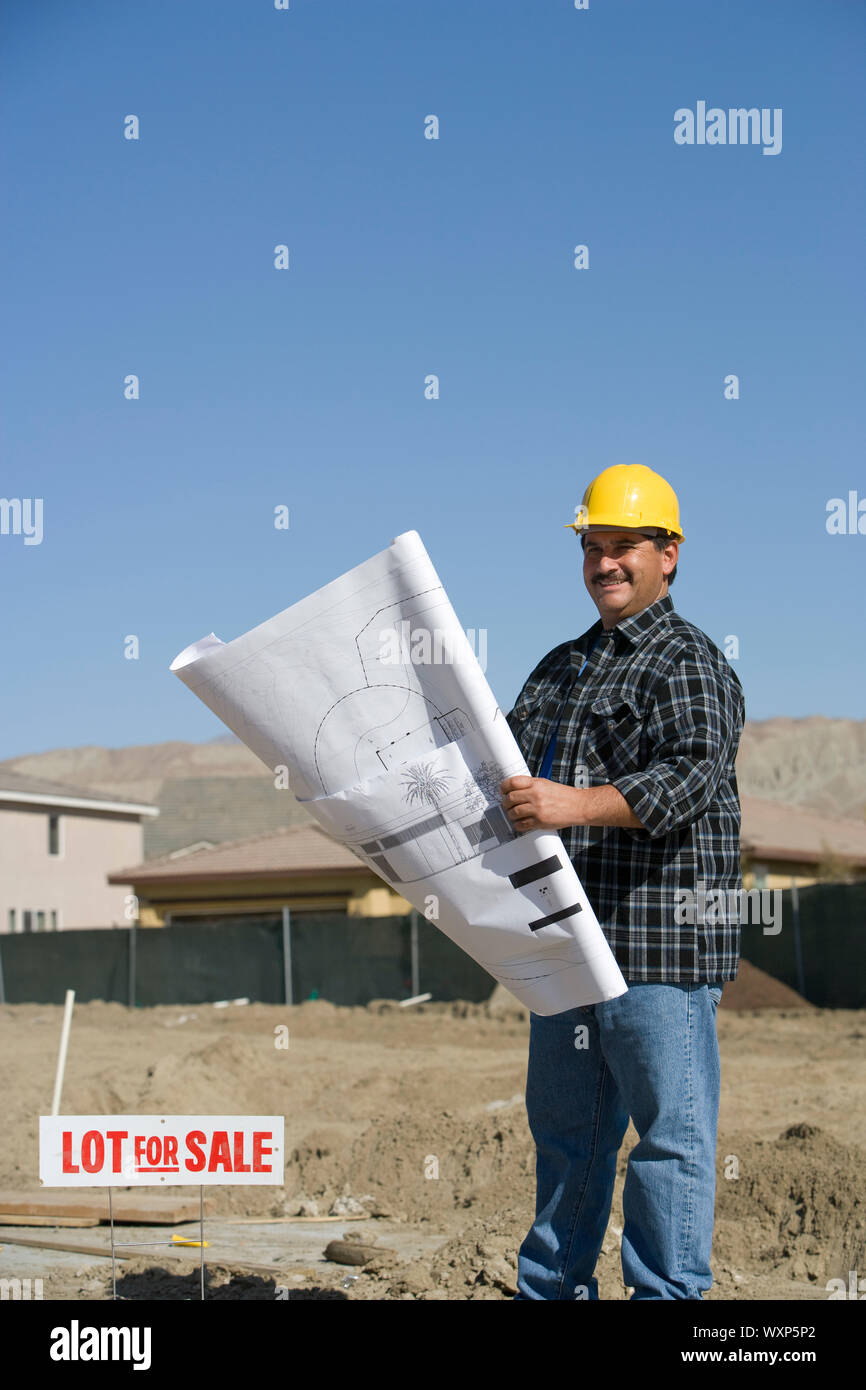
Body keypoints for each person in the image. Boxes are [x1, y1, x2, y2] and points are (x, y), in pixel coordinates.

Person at [500, 464, 745, 1301]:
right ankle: (553, 1291)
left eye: (624, 547)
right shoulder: (557, 670)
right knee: (569, 1137)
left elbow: (690, 777)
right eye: (593, 547)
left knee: (670, 1138)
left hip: (661, 943)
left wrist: (573, 804)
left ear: (668, 554)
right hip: (569, 941)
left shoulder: (689, 659)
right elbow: (496, 769)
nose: (605, 563)